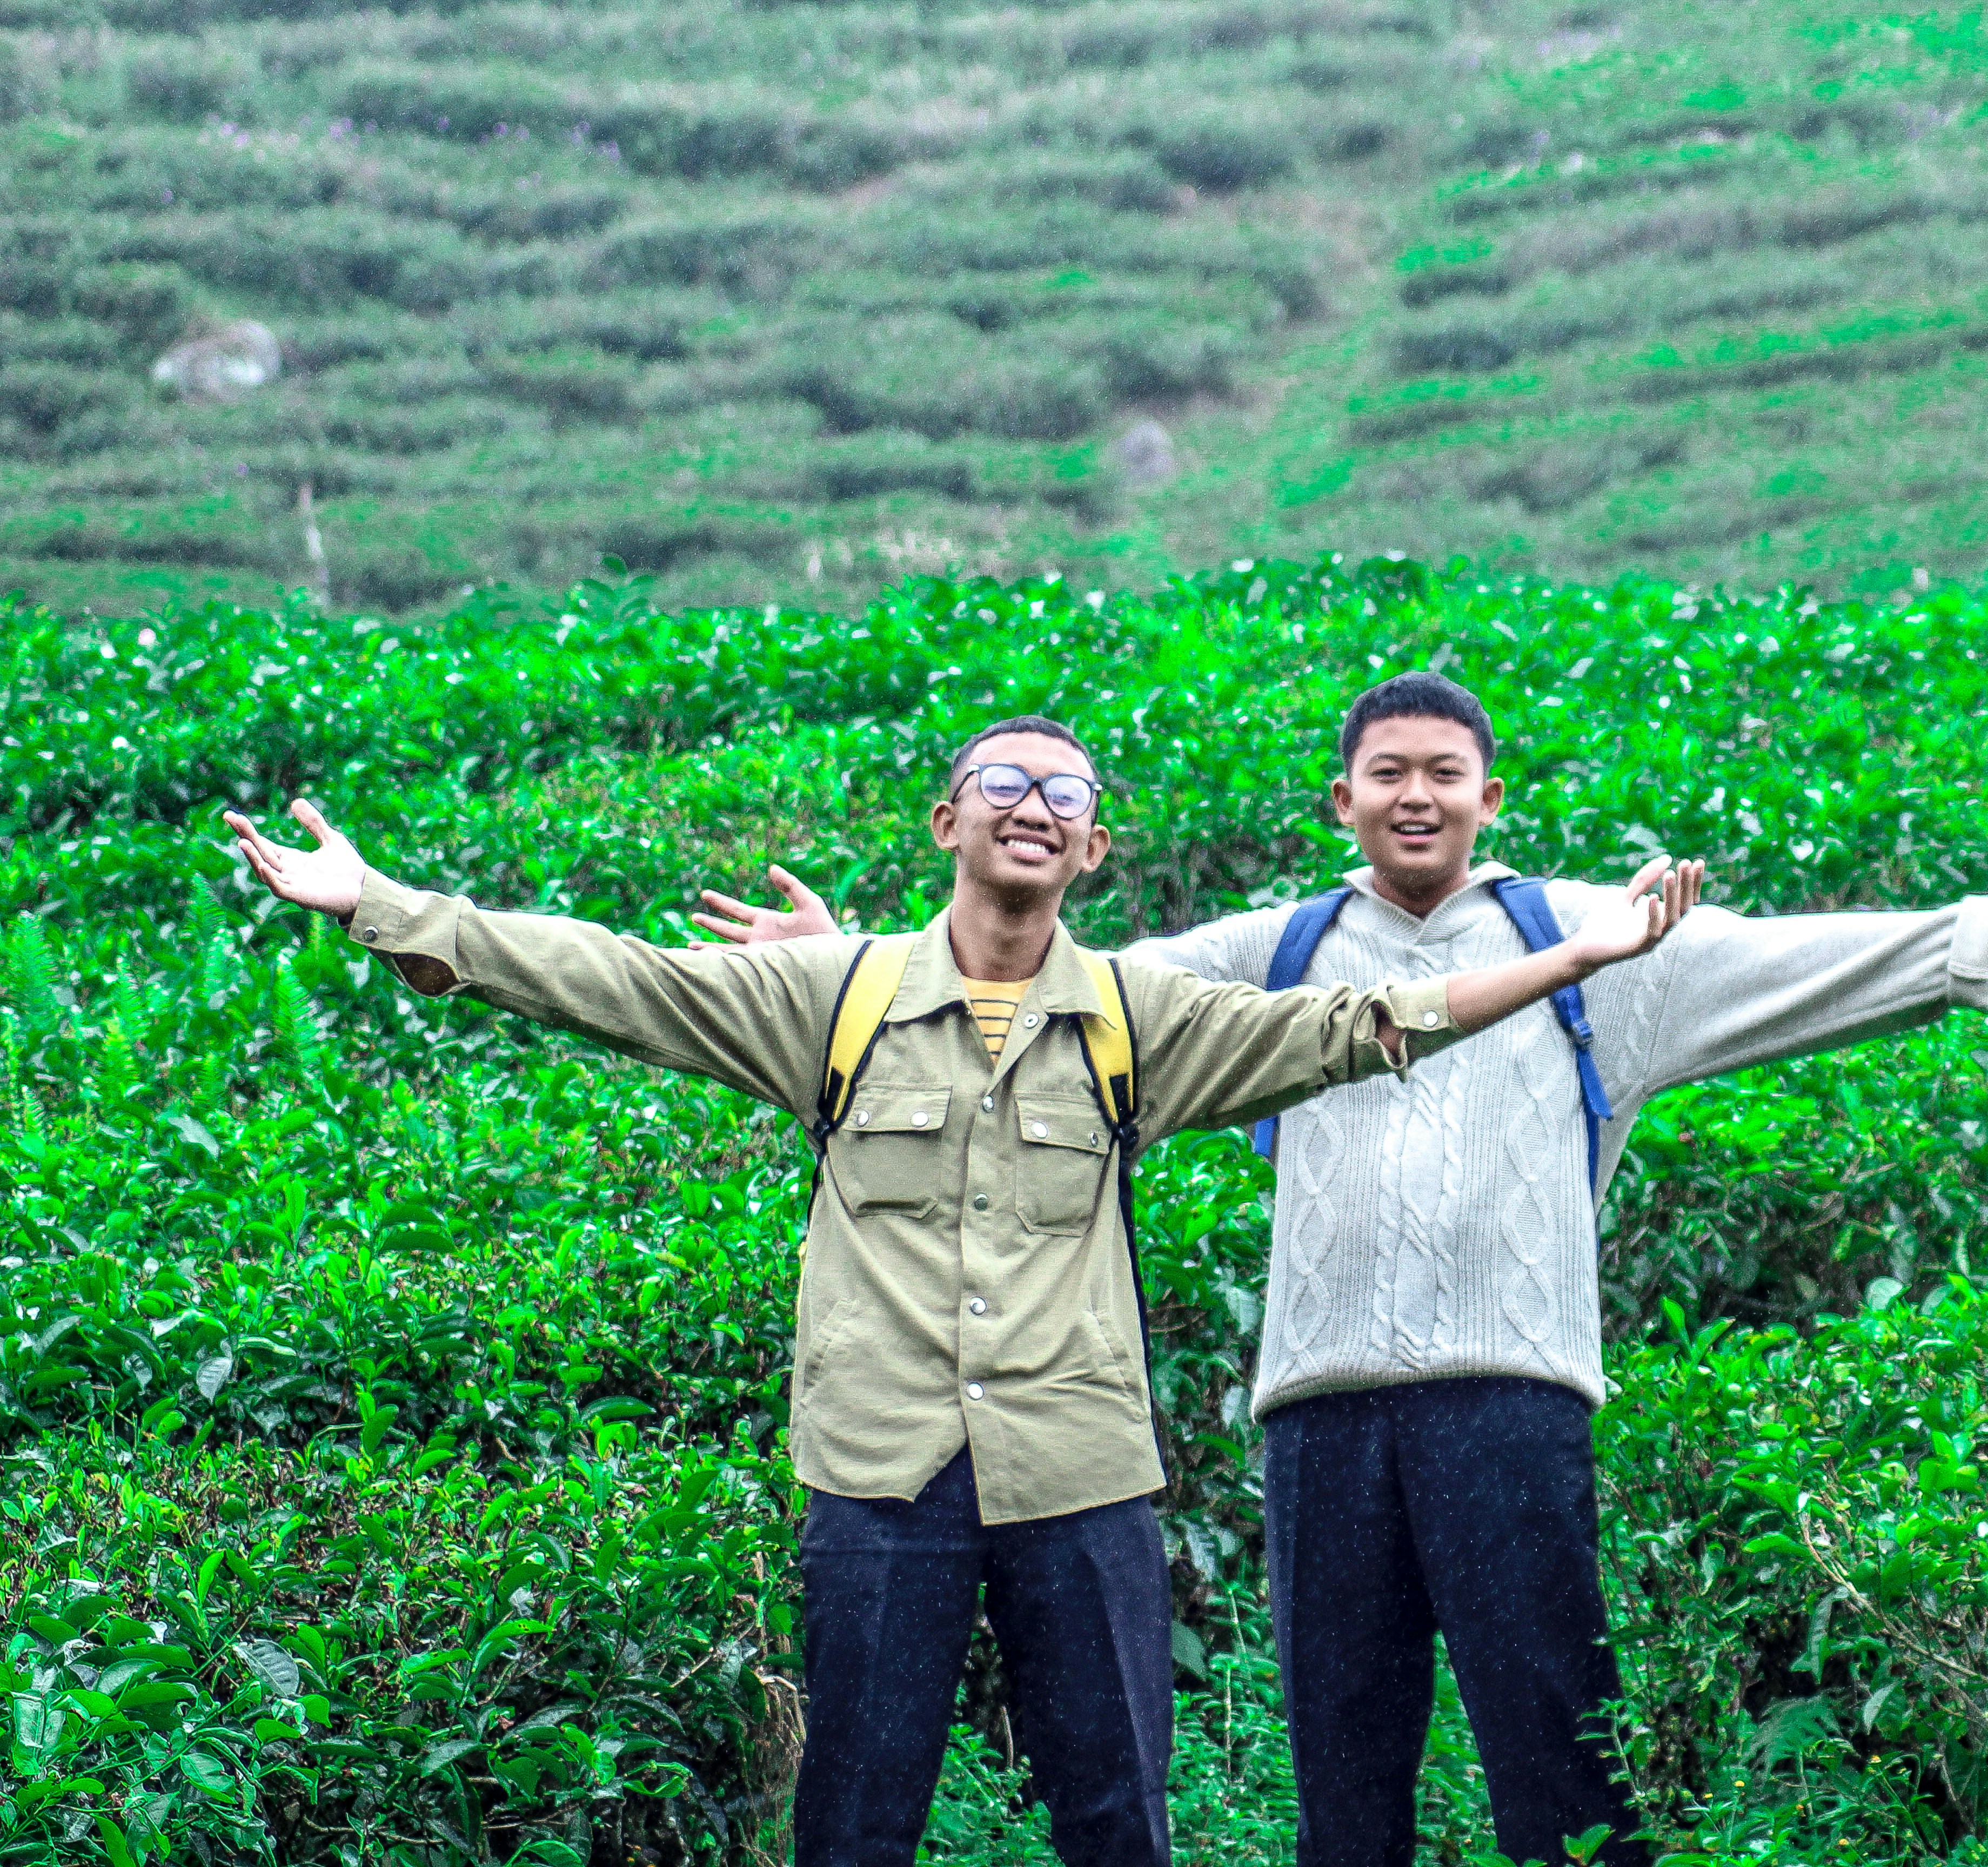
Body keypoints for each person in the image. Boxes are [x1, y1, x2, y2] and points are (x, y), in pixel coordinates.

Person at [698, 677, 1988, 1867]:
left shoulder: (1590, 940)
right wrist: (860, 972)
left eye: (1444, 773)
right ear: (1343, 802)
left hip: (1510, 1401)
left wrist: (1986, 931)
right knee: (1345, 1778)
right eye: (1387, 771)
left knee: (1556, 1761)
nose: (1417, 794)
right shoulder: (1268, 951)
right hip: (1320, 1415)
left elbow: (1791, 966)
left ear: (1487, 798)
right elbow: (1039, 978)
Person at [223, 711, 1701, 1867]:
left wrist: (1573, 950)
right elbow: (610, 979)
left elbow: (1363, 1023)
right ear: (947, 822)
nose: (1032, 808)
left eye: (1064, 795)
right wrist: (381, 907)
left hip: (1080, 1475)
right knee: (855, 1829)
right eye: (1003, 783)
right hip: (879, 1472)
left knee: (1118, 1825)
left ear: (1094, 852)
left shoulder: (1139, 1015)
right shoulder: (838, 994)